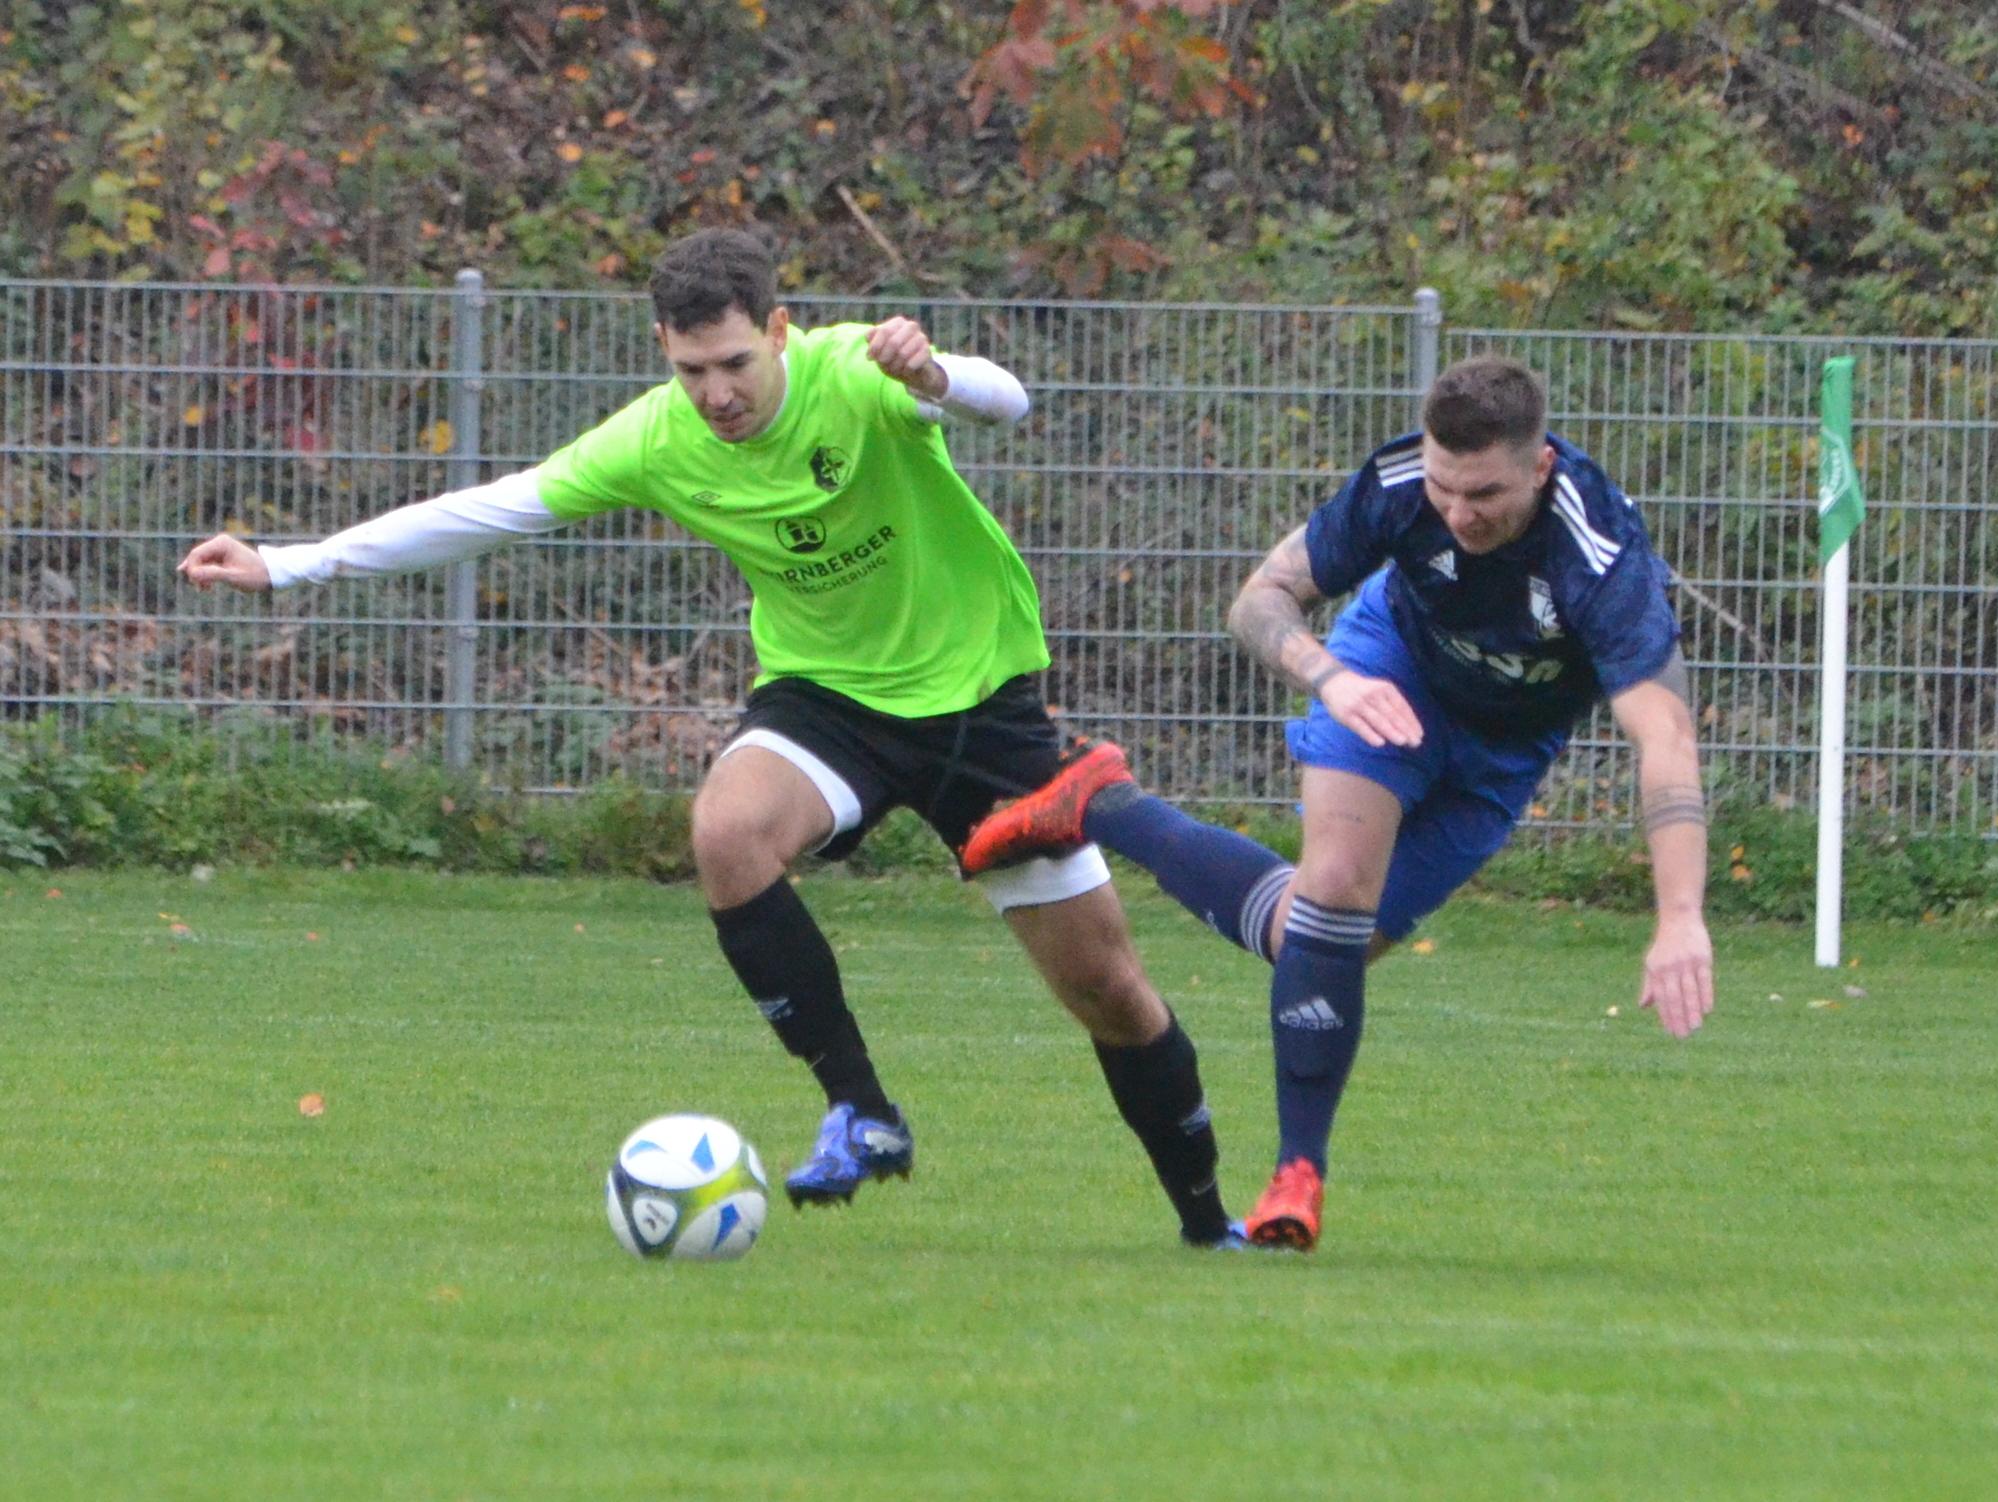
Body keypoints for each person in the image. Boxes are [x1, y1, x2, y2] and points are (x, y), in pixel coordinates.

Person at [179, 227, 1246, 1248]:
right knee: (726, 831)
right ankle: (860, 1108)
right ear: (664, 354)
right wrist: (289, 561)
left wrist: (934, 376)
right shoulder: (658, 435)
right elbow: (493, 507)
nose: (716, 393)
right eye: (692, 370)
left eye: (733, 362)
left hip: (983, 708)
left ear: (779, 329)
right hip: (828, 701)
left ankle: (1207, 1221)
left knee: (1104, 988)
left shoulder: (851, 373)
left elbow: (1008, 402)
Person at [960, 355, 1715, 1250]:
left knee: (1310, 944)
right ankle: (1296, 1178)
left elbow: (1664, 739)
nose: (1459, 514)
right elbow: (1260, 599)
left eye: (1484, 495)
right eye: (1445, 489)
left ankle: (1105, 802)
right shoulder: (1401, 485)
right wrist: (1333, 678)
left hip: (1503, 755)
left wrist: (1679, 918)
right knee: (1334, 892)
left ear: (1541, 465)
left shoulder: (1600, 555)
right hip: (1385, 671)